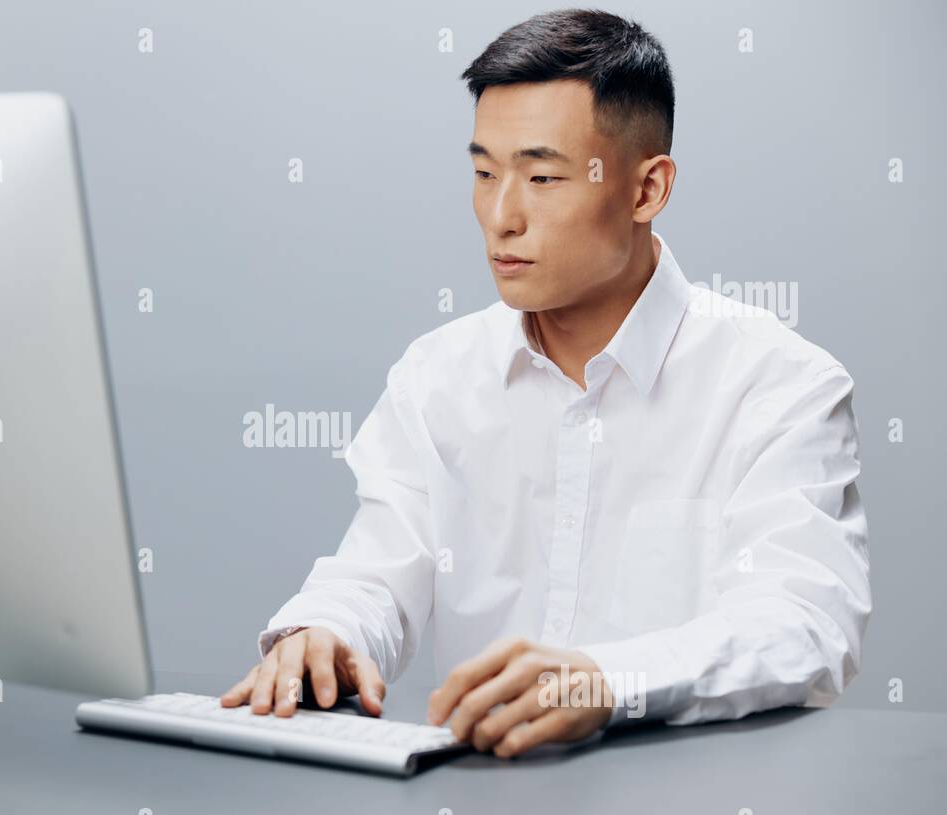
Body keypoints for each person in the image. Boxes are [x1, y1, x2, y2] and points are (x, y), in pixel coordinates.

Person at [222, 8, 872, 759]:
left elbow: (803, 623)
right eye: (483, 173)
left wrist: (604, 681)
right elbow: (377, 568)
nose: (500, 216)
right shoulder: (438, 377)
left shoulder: (779, 386)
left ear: (645, 190)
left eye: (540, 177)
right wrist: (324, 632)